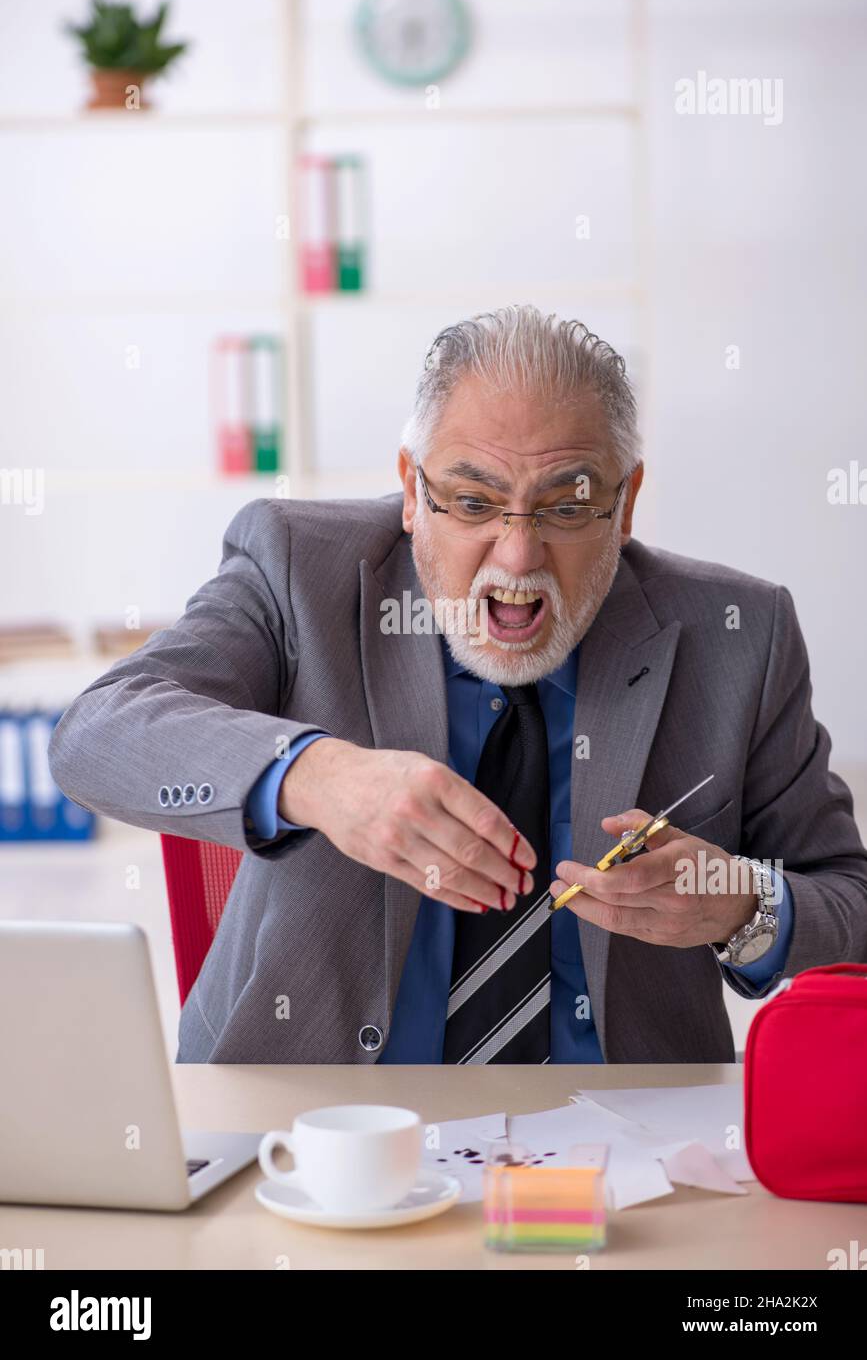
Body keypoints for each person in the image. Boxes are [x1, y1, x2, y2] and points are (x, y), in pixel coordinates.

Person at [48, 305, 867, 1064]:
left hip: (631, 1160)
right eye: (472, 502)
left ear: (624, 506)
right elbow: (98, 733)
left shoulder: (738, 633)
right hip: (317, 1140)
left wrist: (739, 904)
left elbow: (849, 904)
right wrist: (319, 776)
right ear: (411, 490)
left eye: (565, 506)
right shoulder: (299, 567)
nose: (517, 557)